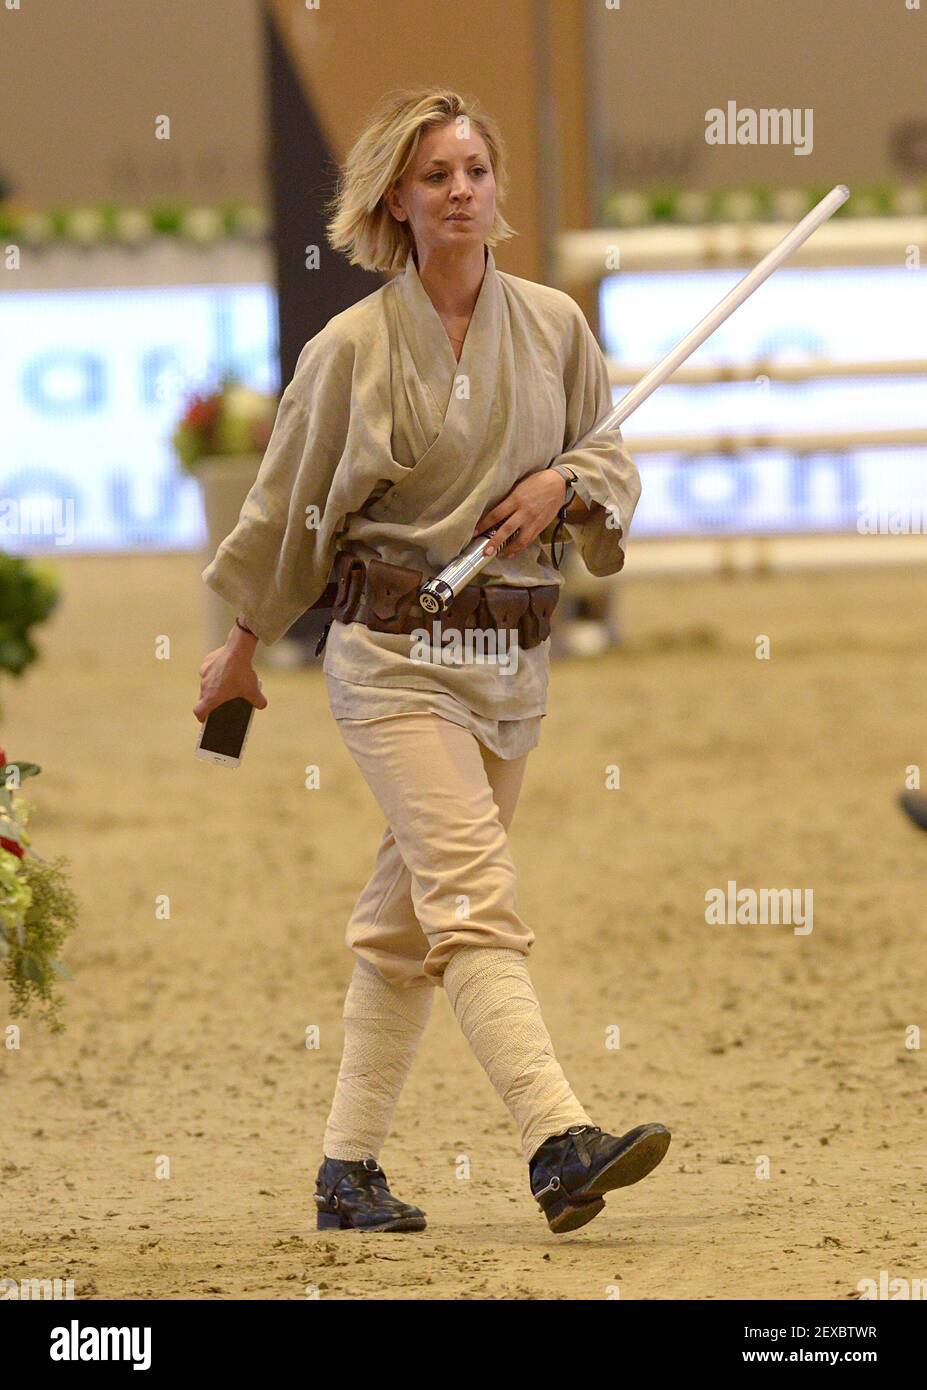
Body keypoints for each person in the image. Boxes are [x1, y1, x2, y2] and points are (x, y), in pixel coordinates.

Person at [194, 87, 670, 1236]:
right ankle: (557, 1139)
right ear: (396, 203)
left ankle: (345, 1171)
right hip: (394, 659)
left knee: (407, 924)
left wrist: (566, 485)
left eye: (475, 171)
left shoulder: (555, 326)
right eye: (435, 176)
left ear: (498, 190)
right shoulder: (350, 351)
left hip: (511, 667)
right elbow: (288, 506)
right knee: (471, 897)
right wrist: (243, 645)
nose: (460, 191)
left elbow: (610, 468)